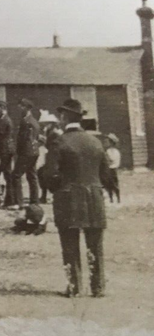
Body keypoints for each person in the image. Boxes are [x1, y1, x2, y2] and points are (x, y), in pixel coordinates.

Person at [42, 98, 111, 298]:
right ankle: (98, 287)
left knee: (69, 244)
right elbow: (106, 175)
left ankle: (75, 287)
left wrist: (57, 189)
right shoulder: (95, 141)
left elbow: (49, 174)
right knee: (95, 245)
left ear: (64, 117)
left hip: (68, 198)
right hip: (95, 198)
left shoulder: (59, 141)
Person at [13, 99, 41, 207]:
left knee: (16, 175)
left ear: (27, 108)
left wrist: (19, 151)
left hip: (26, 152)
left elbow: (23, 138)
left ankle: (18, 202)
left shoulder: (26, 121)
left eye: (22, 106)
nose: (19, 108)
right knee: (32, 175)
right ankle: (34, 201)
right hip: (34, 152)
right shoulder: (34, 120)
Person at [0, 100, 16, 208]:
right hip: (6, 150)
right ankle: (8, 200)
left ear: (2, 108)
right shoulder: (2, 119)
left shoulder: (5, 120)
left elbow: (0, 135)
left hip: (4, 150)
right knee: (7, 174)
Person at [101, 133, 121, 203]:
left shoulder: (112, 151)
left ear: (111, 142)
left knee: (113, 184)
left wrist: (106, 158)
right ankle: (112, 198)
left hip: (112, 169)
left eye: (107, 141)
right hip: (110, 169)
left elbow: (111, 160)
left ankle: (117, 198)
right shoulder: (111, 151)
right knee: (109, 185)